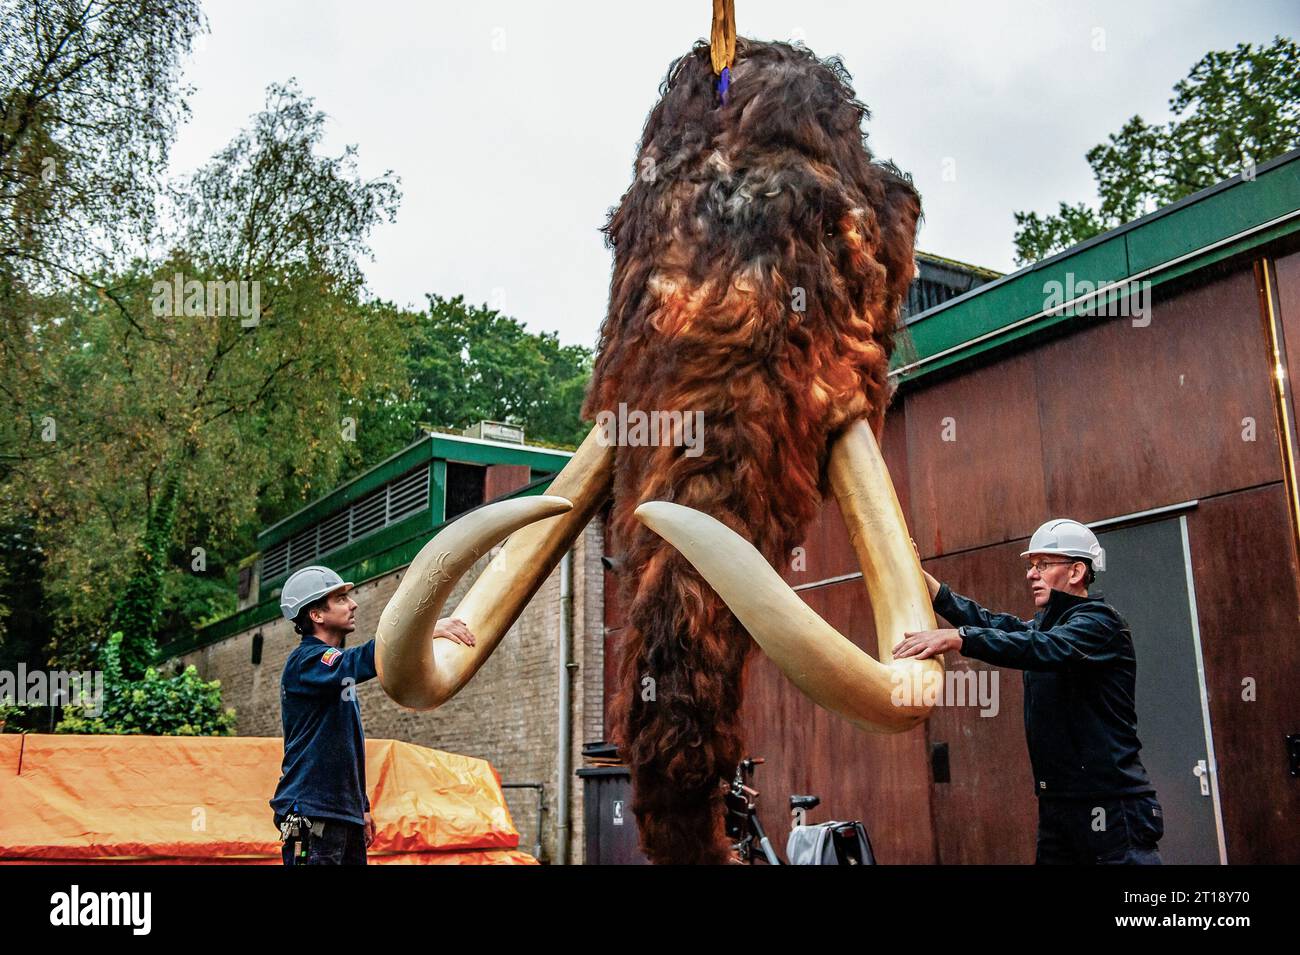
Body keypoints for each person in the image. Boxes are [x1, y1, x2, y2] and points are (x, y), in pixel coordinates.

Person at [895, 519, 1163, 865]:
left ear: (1077, 571)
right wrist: (927, 585)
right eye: (1030, 566)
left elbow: (1038, 646)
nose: (1030, 574)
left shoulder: (1100, 624)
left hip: (1112, 807)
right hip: (1058, 808)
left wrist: (958, 638)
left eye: (1043, 565)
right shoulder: (1045, 625)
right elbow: (996, 625)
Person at [269, 564, 476, 865]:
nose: (353, 604)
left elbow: (345, 747)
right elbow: (358, 660)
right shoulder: (307, 662)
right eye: (340, 599)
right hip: (312, 814)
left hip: (342, 815)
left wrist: (361, 808)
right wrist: (424, 633)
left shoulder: (332, 671)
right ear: (316, 615)